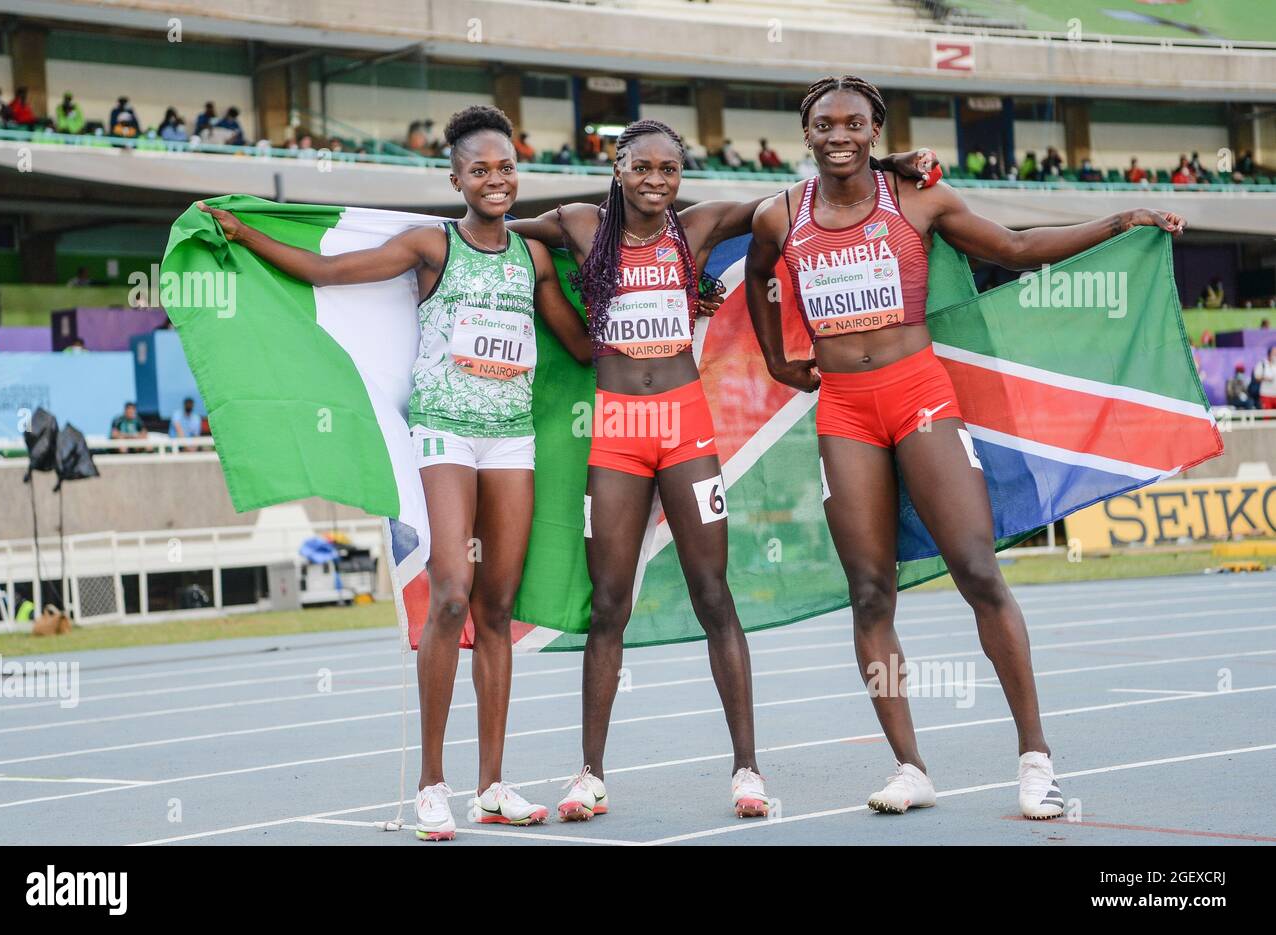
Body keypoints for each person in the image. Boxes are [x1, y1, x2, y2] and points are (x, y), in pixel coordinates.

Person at [743, 74, 1186, 821]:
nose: (839, 133)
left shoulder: (919, 200)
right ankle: (910, 765)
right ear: (807, 133)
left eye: (855, 122)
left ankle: (1036, 761)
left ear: (875, 131)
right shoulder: (778, 215)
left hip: (920, 396)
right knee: (870, 592)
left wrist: (1118, 221)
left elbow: (1015, 247)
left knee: (979, 570)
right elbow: (758, 280)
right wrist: (778, 360)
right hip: (845, 412)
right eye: (825, 124)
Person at [507, 118, 940, 822]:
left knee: (715, 594)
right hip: (617, 435)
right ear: (616, 169)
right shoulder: (581, 225)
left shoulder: (698, 226)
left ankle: (747, 767)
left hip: (685, 432)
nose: (655, 181)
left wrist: (887, 160)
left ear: (681, 176)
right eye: (641, 167)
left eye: (668, 170)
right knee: (609, 603)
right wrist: (543, 290)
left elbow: (800, 193)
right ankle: (589, 773)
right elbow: (493, 221)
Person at [199, 105, 592, 842]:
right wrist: (247, 232)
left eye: (506, 167)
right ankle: (432, 784)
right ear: (455, 178)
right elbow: (326, 270)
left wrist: (661, 308)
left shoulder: (533, 259)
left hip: (511, 443)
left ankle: (493, 784)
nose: (496, 179)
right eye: (480, 169)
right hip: (444, 434)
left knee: (501, 611)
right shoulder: (429, 244)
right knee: (452, 595)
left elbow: (579, 346)